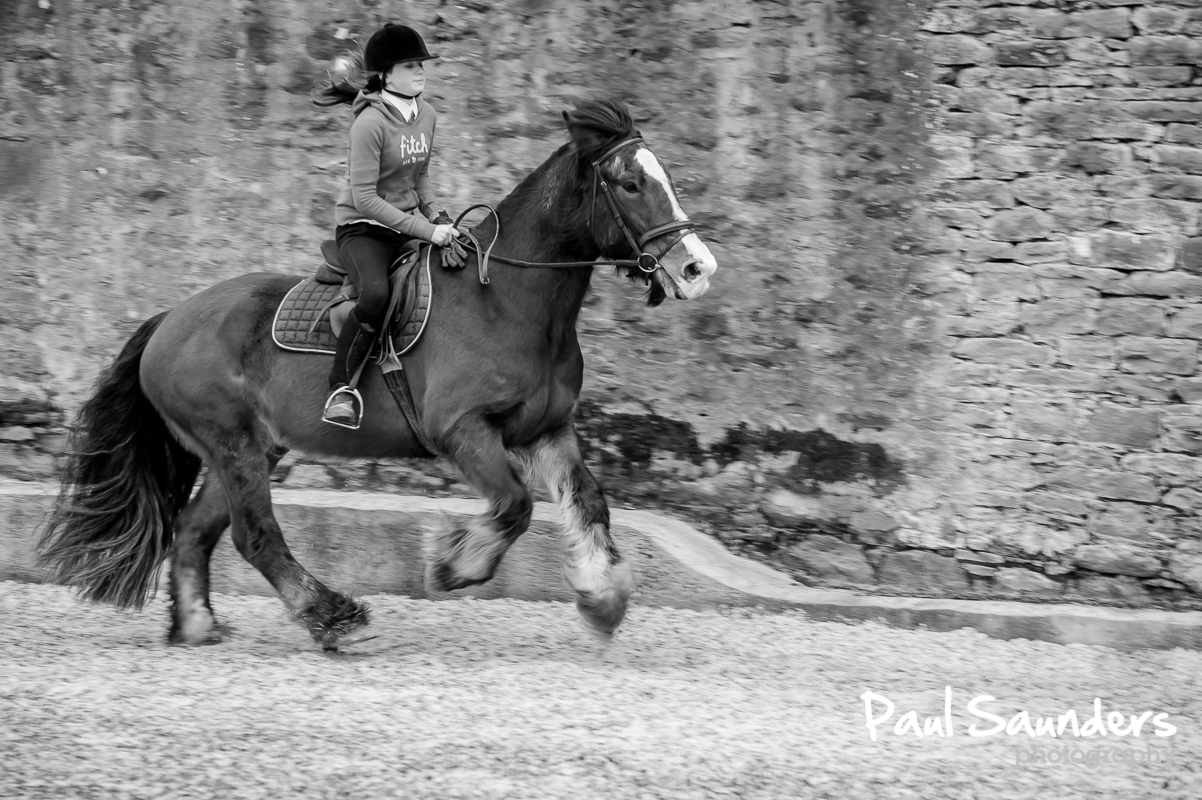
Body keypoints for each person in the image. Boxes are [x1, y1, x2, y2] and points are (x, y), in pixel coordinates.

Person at [313, 23, 464, 428]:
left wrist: (438, 216)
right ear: (386, 73)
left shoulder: (426, 114)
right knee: (377, 294)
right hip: (362, 228)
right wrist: (428, 232)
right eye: (411, 65)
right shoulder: (369, 124)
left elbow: (420, 178)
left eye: (421, 65)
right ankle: (340, 389)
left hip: (406, 226)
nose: (420, 72)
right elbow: (365, 198)